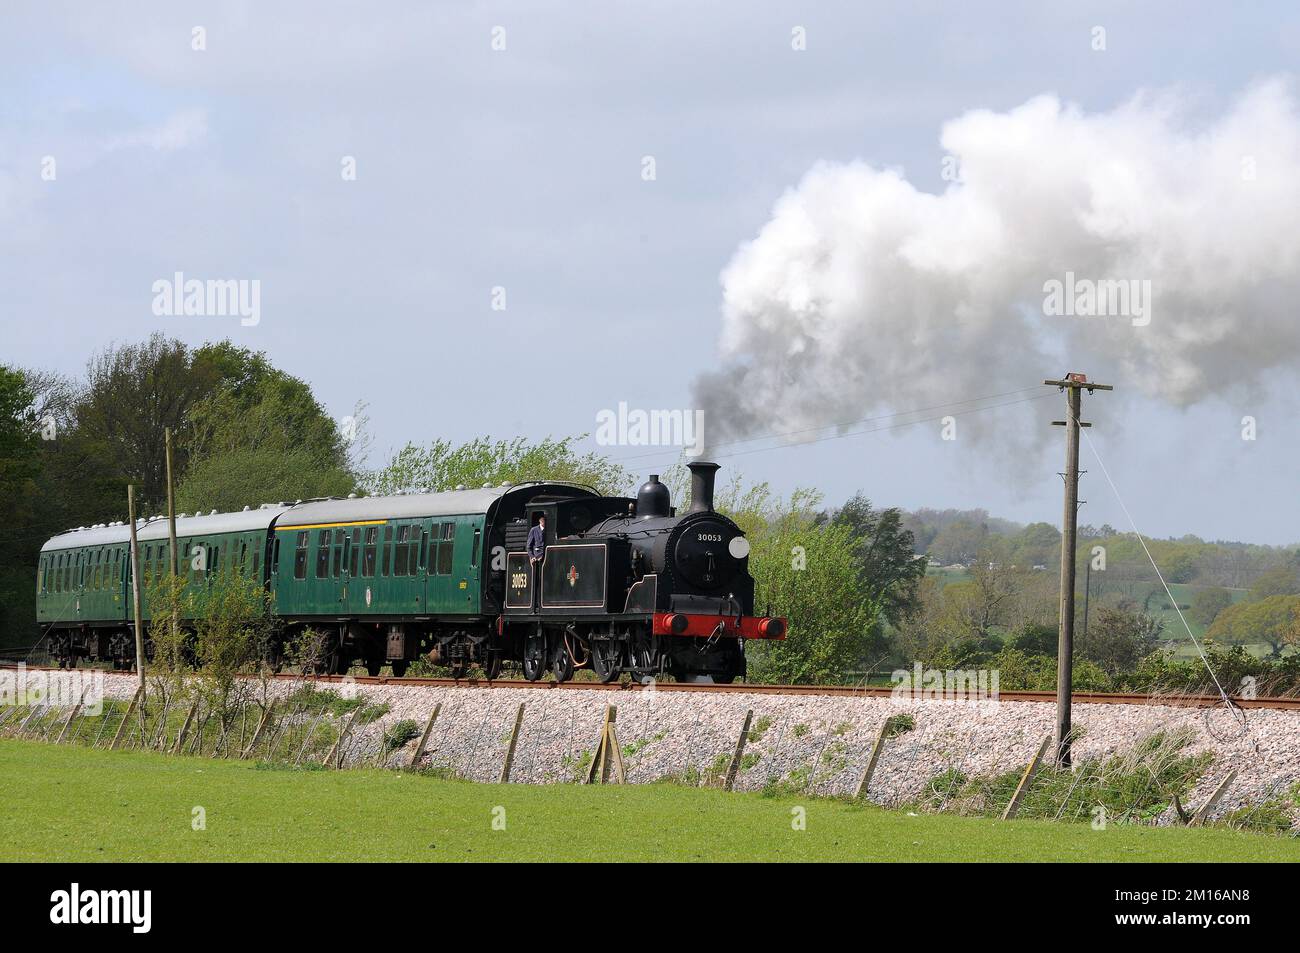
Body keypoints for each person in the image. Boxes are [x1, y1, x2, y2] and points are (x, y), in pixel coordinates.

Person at [526, 514, 546, 610]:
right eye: (542, 519)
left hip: (546, 555)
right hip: (537, 557)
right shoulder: (534, 530)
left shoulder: (549, 531)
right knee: (538, 580)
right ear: (539, 520)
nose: (543, 521)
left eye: (544, 520)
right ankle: (537, 602)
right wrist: (532, 557)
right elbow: (529, 546)